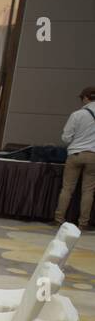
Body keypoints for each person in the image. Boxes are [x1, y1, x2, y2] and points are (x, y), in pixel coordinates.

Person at [55, 86, 95, 226]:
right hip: (93, 156)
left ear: (85, 97)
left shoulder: (77, 115)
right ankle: (83, 223)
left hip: (76, 154)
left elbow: (66, 138)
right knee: (88, 191)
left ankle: (59, 219)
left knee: (67, 189)